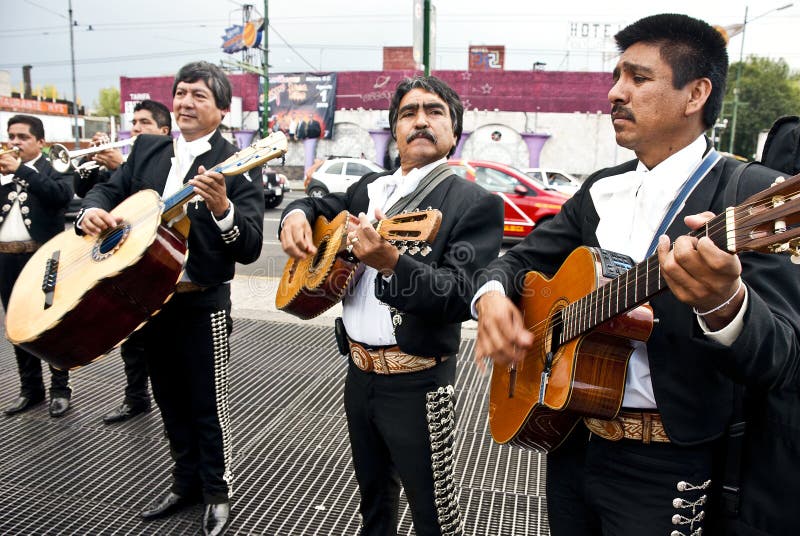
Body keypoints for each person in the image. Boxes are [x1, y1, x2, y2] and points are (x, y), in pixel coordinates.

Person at [471, 14, 800, 536]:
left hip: (670, 466)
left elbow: (784, 357)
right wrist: (490, 297)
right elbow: (517, 261)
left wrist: (724, 304)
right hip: (572, 442)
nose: (614, 93)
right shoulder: (600, 190)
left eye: (638, 78)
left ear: (696, 94)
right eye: (616, 76)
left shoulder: (751, 197)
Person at [280, 75, 503, 536]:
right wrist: (296, 214)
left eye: (434, 111)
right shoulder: (369, 188)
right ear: (395, 130)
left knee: (434, 512)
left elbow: (459, 296)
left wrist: (391, 264)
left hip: (419, 382)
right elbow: (321, 201)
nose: (420, 120)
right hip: (358, 374)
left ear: (454, 131)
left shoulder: (473, 203)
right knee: (373, 499)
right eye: (408, 113)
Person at [78, 61, 264, 536]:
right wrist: (94, 211)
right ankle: (184, 483)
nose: (185, 102)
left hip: (202, 301)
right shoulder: (148, 148)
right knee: (167, 398)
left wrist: (223, 208)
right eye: (181, 93)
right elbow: (106, 188)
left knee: (206, 403)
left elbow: (249, 246)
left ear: (222, 109)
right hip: (144, 300)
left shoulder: (241, 163)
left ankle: (217, 491)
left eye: (199, 95)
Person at [73, 99, 172, 425]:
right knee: (132, 338)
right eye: (134, 123)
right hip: (125, 262)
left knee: (168, 352)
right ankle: (135, 397)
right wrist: (95, 167)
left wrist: (119, 166)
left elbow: (156, 200)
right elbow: (90, 192)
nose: (136, 129)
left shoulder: (165, 158)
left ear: (163, 131)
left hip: (162, 262)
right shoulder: (129, 161)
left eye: (144, 123)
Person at [0, 115, 73, 418]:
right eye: (11, 136)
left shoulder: (54, 166)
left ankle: (60, 389)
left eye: (22, 137)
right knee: (16, 324)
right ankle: (31, 389)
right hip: (6, 257)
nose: (14, 143)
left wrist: (22, 171)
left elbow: (61, 197)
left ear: (40, 142)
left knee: (50, 321)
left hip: (45, 258)